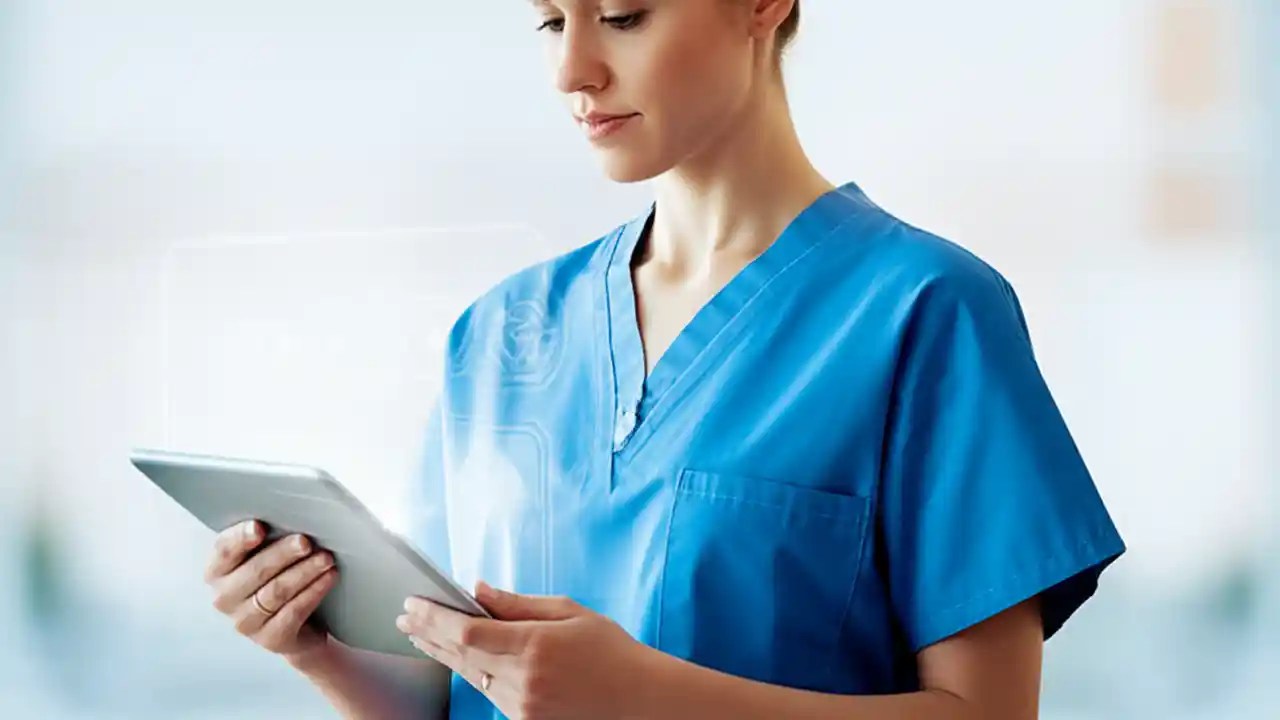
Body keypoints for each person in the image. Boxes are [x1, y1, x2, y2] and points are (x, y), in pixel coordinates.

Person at [203, 1, 1126, 718]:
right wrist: (313, 644)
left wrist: (647, 700)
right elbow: (455, 700)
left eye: (624, 17)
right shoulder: (498, 335)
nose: (573, 69)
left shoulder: (925, 314)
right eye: (550, 22)